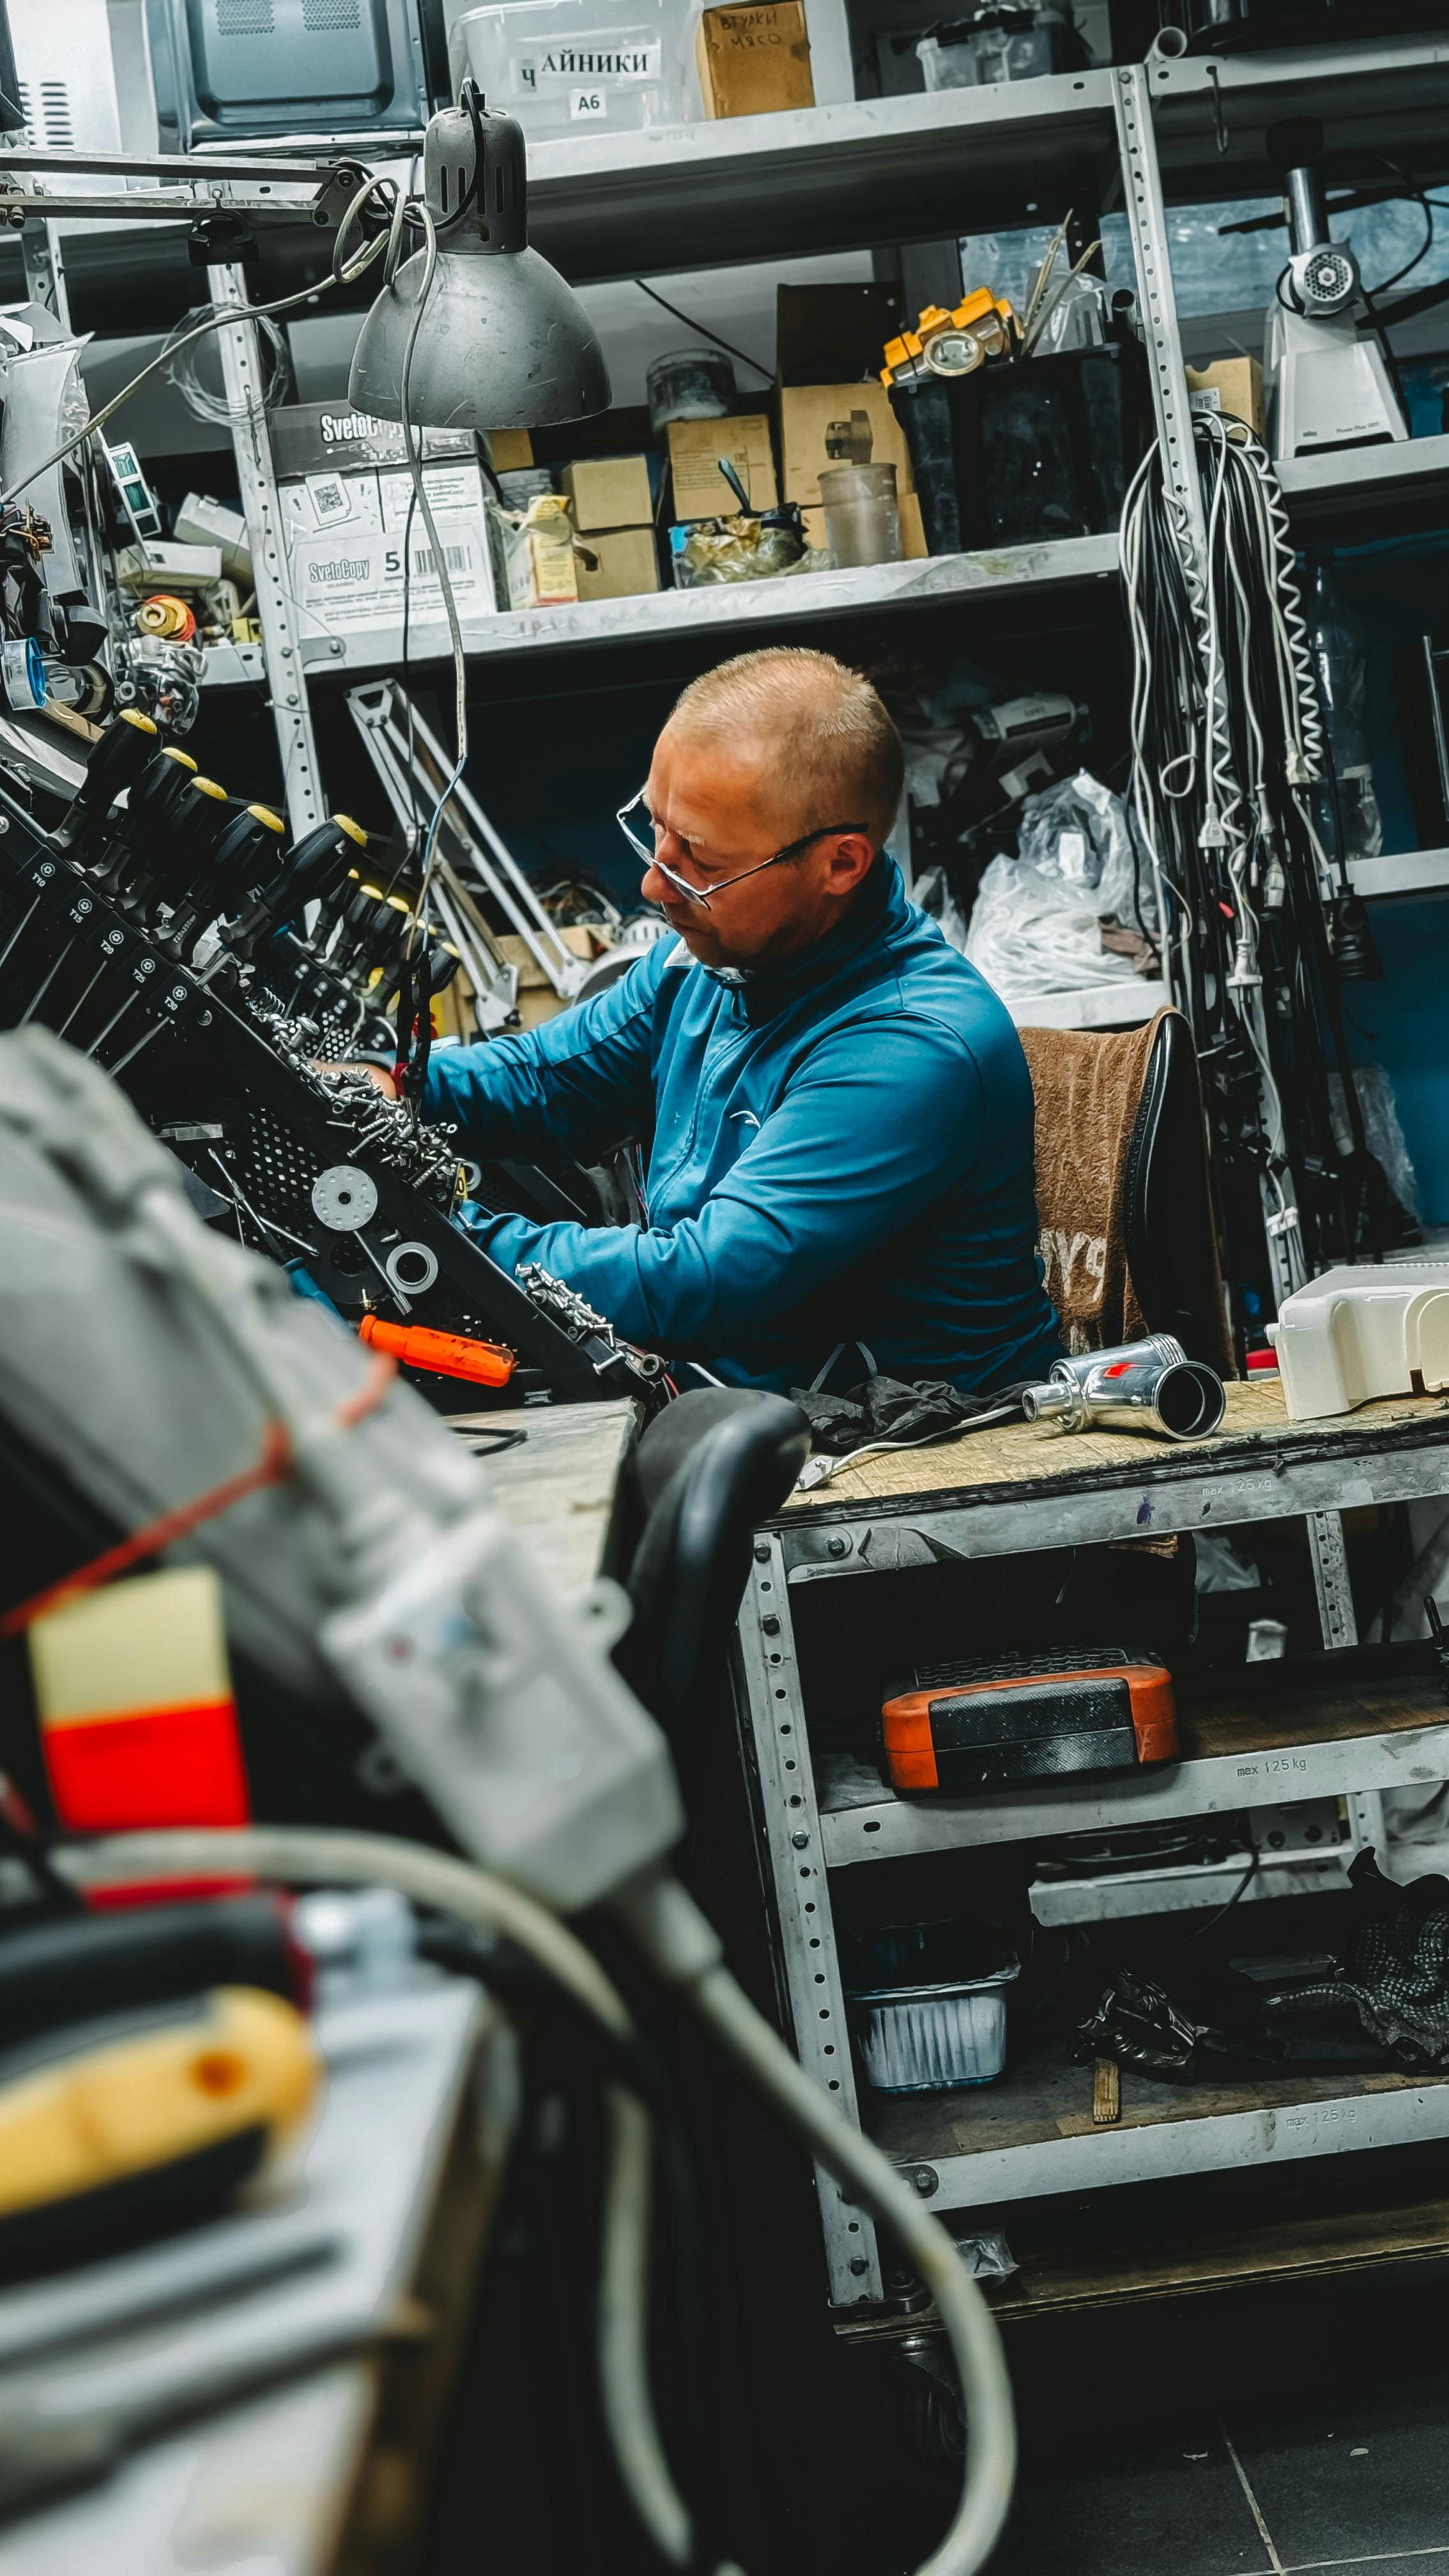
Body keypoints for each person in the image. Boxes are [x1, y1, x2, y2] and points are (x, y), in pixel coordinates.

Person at [351, 646, 1059, 1397]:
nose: (655, 883)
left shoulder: (910, 1048)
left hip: (904, 1445)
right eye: (656, 830)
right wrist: (386, 1084)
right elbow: (548, 1081)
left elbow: (705, 1280)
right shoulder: (712, 962)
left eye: (700, 860)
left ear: (841, 865)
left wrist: (433, 1233)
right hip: (747, 1396)